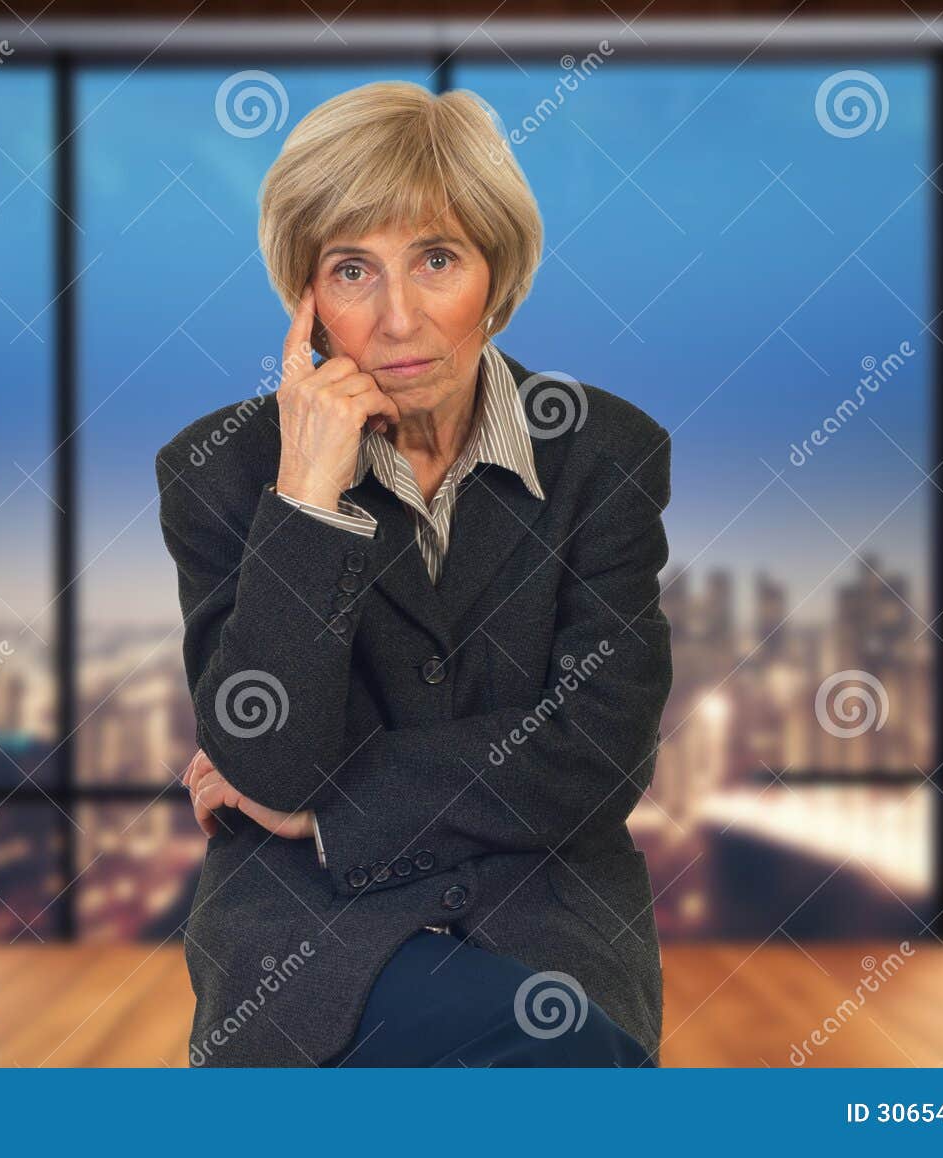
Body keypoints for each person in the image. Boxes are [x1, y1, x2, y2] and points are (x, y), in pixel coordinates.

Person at [157, 80, 672, 1067]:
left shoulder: (603, 453)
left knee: (557, 1049)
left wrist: (331, 811)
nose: (397, 319)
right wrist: (306, 499)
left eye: (436, 259)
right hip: (313, 932)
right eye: (352, 270)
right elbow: (270, 761)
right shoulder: (219, 471)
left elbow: (597, 752)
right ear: (305, 301)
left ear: (497, 272)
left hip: (543, 918)